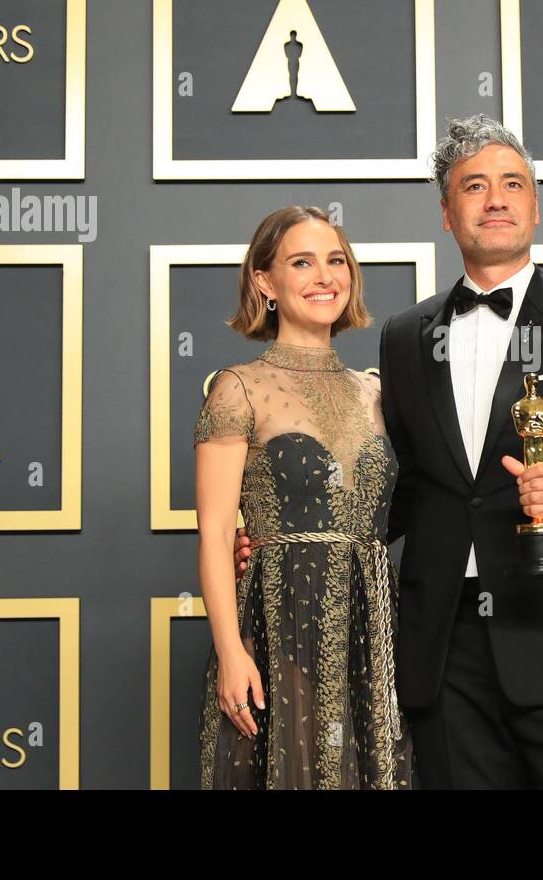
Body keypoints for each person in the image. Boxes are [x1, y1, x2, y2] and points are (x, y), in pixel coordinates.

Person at [238, 116, 543, 787]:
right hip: (442, 648)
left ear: (534, 204)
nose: (495, 198)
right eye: (474, 186)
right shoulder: (405, 335)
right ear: (447, 212)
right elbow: (403, 490)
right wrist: (295, 536)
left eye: (512, 184)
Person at [194, 205, 411, 789]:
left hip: (374, 619)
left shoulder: (378, 392)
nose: (324, 277)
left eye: (336, 260)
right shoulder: (237, 388)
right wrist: (230, 651)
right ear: (264, 281)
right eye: (302, 262)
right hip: (277, 620)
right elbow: (215, 532)